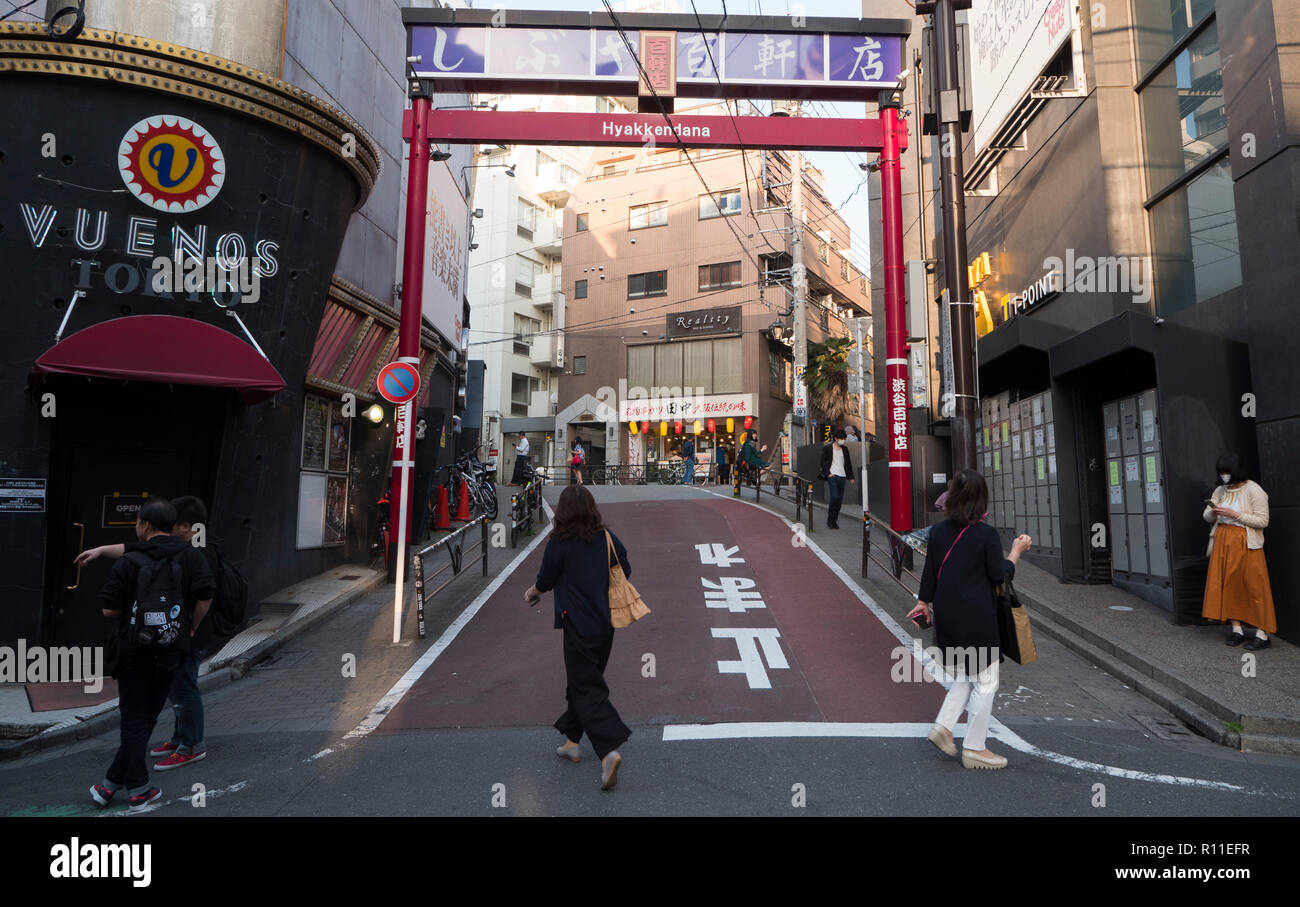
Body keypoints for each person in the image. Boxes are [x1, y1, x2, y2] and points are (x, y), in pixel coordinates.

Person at [76, 496, 223, 771]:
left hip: (189, 636)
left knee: (185, 687)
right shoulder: (181, 548)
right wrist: (100, 549)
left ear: (187, 526)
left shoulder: (196, 552)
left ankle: (192, 744)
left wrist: (191, 625)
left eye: (175, 525)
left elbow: (206, 595)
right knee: (176, 687)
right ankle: (180, 737)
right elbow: (134, 549)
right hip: (175, 636)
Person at [908, 469, 1031, 771]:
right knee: (986, 682)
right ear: (981, 499)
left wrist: (923, 602)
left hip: (947, 616)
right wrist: (1015, 551)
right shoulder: (985, 534)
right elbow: (999, 575)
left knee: (968, 673)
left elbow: (929, 572)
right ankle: (975, 747)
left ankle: (944, 726)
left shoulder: (937, 532)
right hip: (977, 617)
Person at [524, 484, 632, 791]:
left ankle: (608, 751)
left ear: (564, 511)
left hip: (577, 626)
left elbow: (545, 579)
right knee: (584, 680)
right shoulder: (607, 538)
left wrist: (532, 594)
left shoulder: (560, 541)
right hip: (606, 624)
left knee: (587, 686)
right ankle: (572, 742)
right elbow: (625, 569)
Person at [1202, 453, 1275, 651]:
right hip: (1223, 539)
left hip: (1246, 540)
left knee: (1254, 586)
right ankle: (1237, 629)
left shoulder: (1254, 490)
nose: (1224, 476)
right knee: (1228, 583)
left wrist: (1237, 515)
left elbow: (1263, 521)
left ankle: (1262, 632)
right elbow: (1207, 517)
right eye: (1221, 472)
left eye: (1227, 472)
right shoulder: (1221, 489)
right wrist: (1213, 512)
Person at [819, 428, 856, 529]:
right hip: (833, 476)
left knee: (839, 501)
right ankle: (830, 520)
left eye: (844, 438)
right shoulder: (827, 448)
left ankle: (833, 521)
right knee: (834, 497)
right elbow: (823, 462)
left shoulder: (845, 449)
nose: (843, 440)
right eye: (841, 438)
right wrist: (828, 474)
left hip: (842, 476)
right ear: (835, 438)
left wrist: (851, 477)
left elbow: (848, 464)